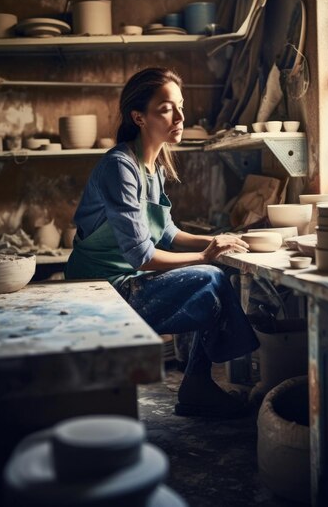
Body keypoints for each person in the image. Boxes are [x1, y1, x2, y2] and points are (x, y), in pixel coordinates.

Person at [65, 67, 259, 418]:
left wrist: (217, 240)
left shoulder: (152, 166)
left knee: (215, 276)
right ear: (138, 116)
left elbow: (167, 232)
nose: (181, 117)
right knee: (210, 278)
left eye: (180, 106)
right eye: (167, 108)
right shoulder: (120, 167)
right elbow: (141, 255)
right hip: (99, 287)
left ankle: (198, 384)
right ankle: (200, 384)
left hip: (125, 279)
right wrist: (204, 255)